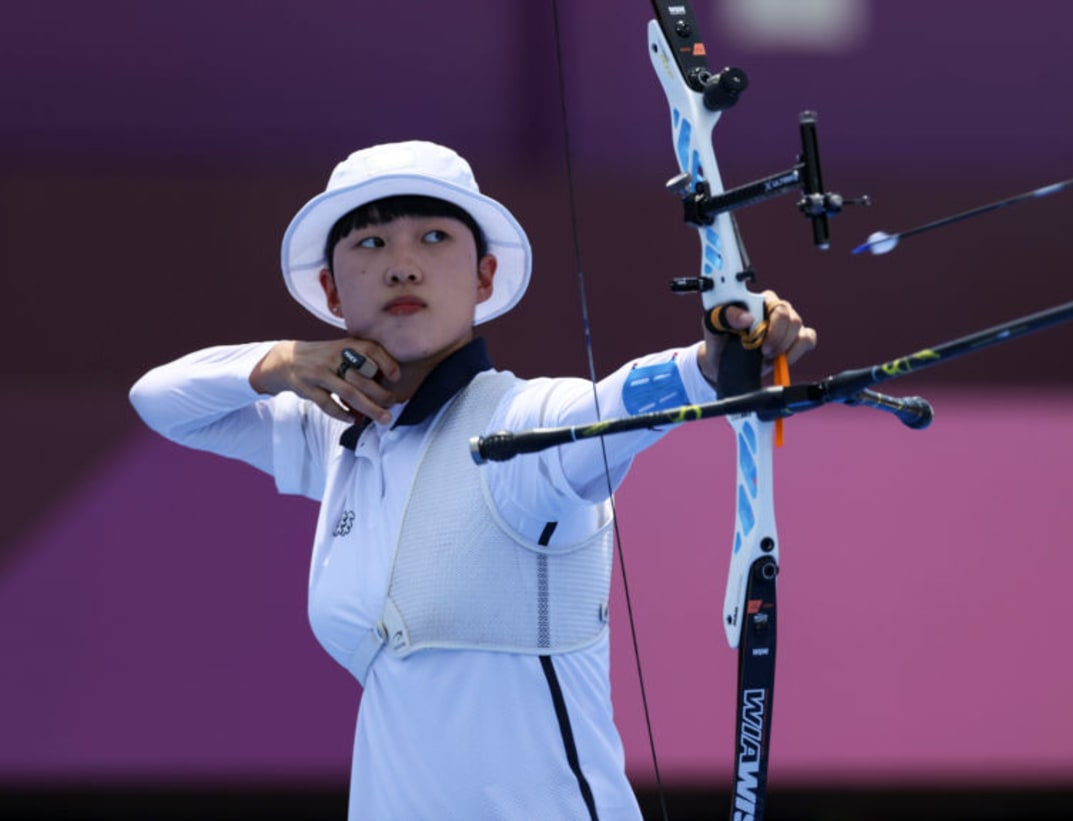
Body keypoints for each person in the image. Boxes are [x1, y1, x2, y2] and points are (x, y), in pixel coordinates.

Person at [129, 140, 816, 820]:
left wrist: (713, 363)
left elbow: (614, 404)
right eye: (369, 243)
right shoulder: (338, 436)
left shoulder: (521, 426)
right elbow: (159, 400)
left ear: (484, 277)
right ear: (332, 291)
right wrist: (279, 360)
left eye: (433, 237)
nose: (402, 266)